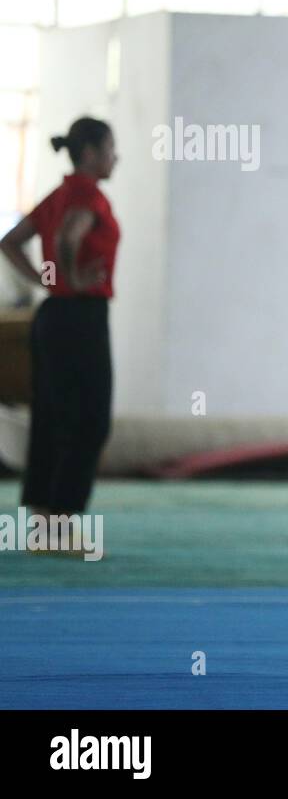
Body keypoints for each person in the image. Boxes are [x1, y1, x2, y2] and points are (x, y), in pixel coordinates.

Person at [0, 117, 120, 551]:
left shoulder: (59, 193)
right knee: (89, 420)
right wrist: (72, 278)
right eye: (110, 148)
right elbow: (71, 236)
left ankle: (41, 524)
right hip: (81, 317)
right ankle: (62, 525)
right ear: (89, 153)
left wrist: (46, 280)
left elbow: (10, 241)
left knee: (51, 417)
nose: (115, 157)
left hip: (52, 316)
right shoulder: (86, 193)